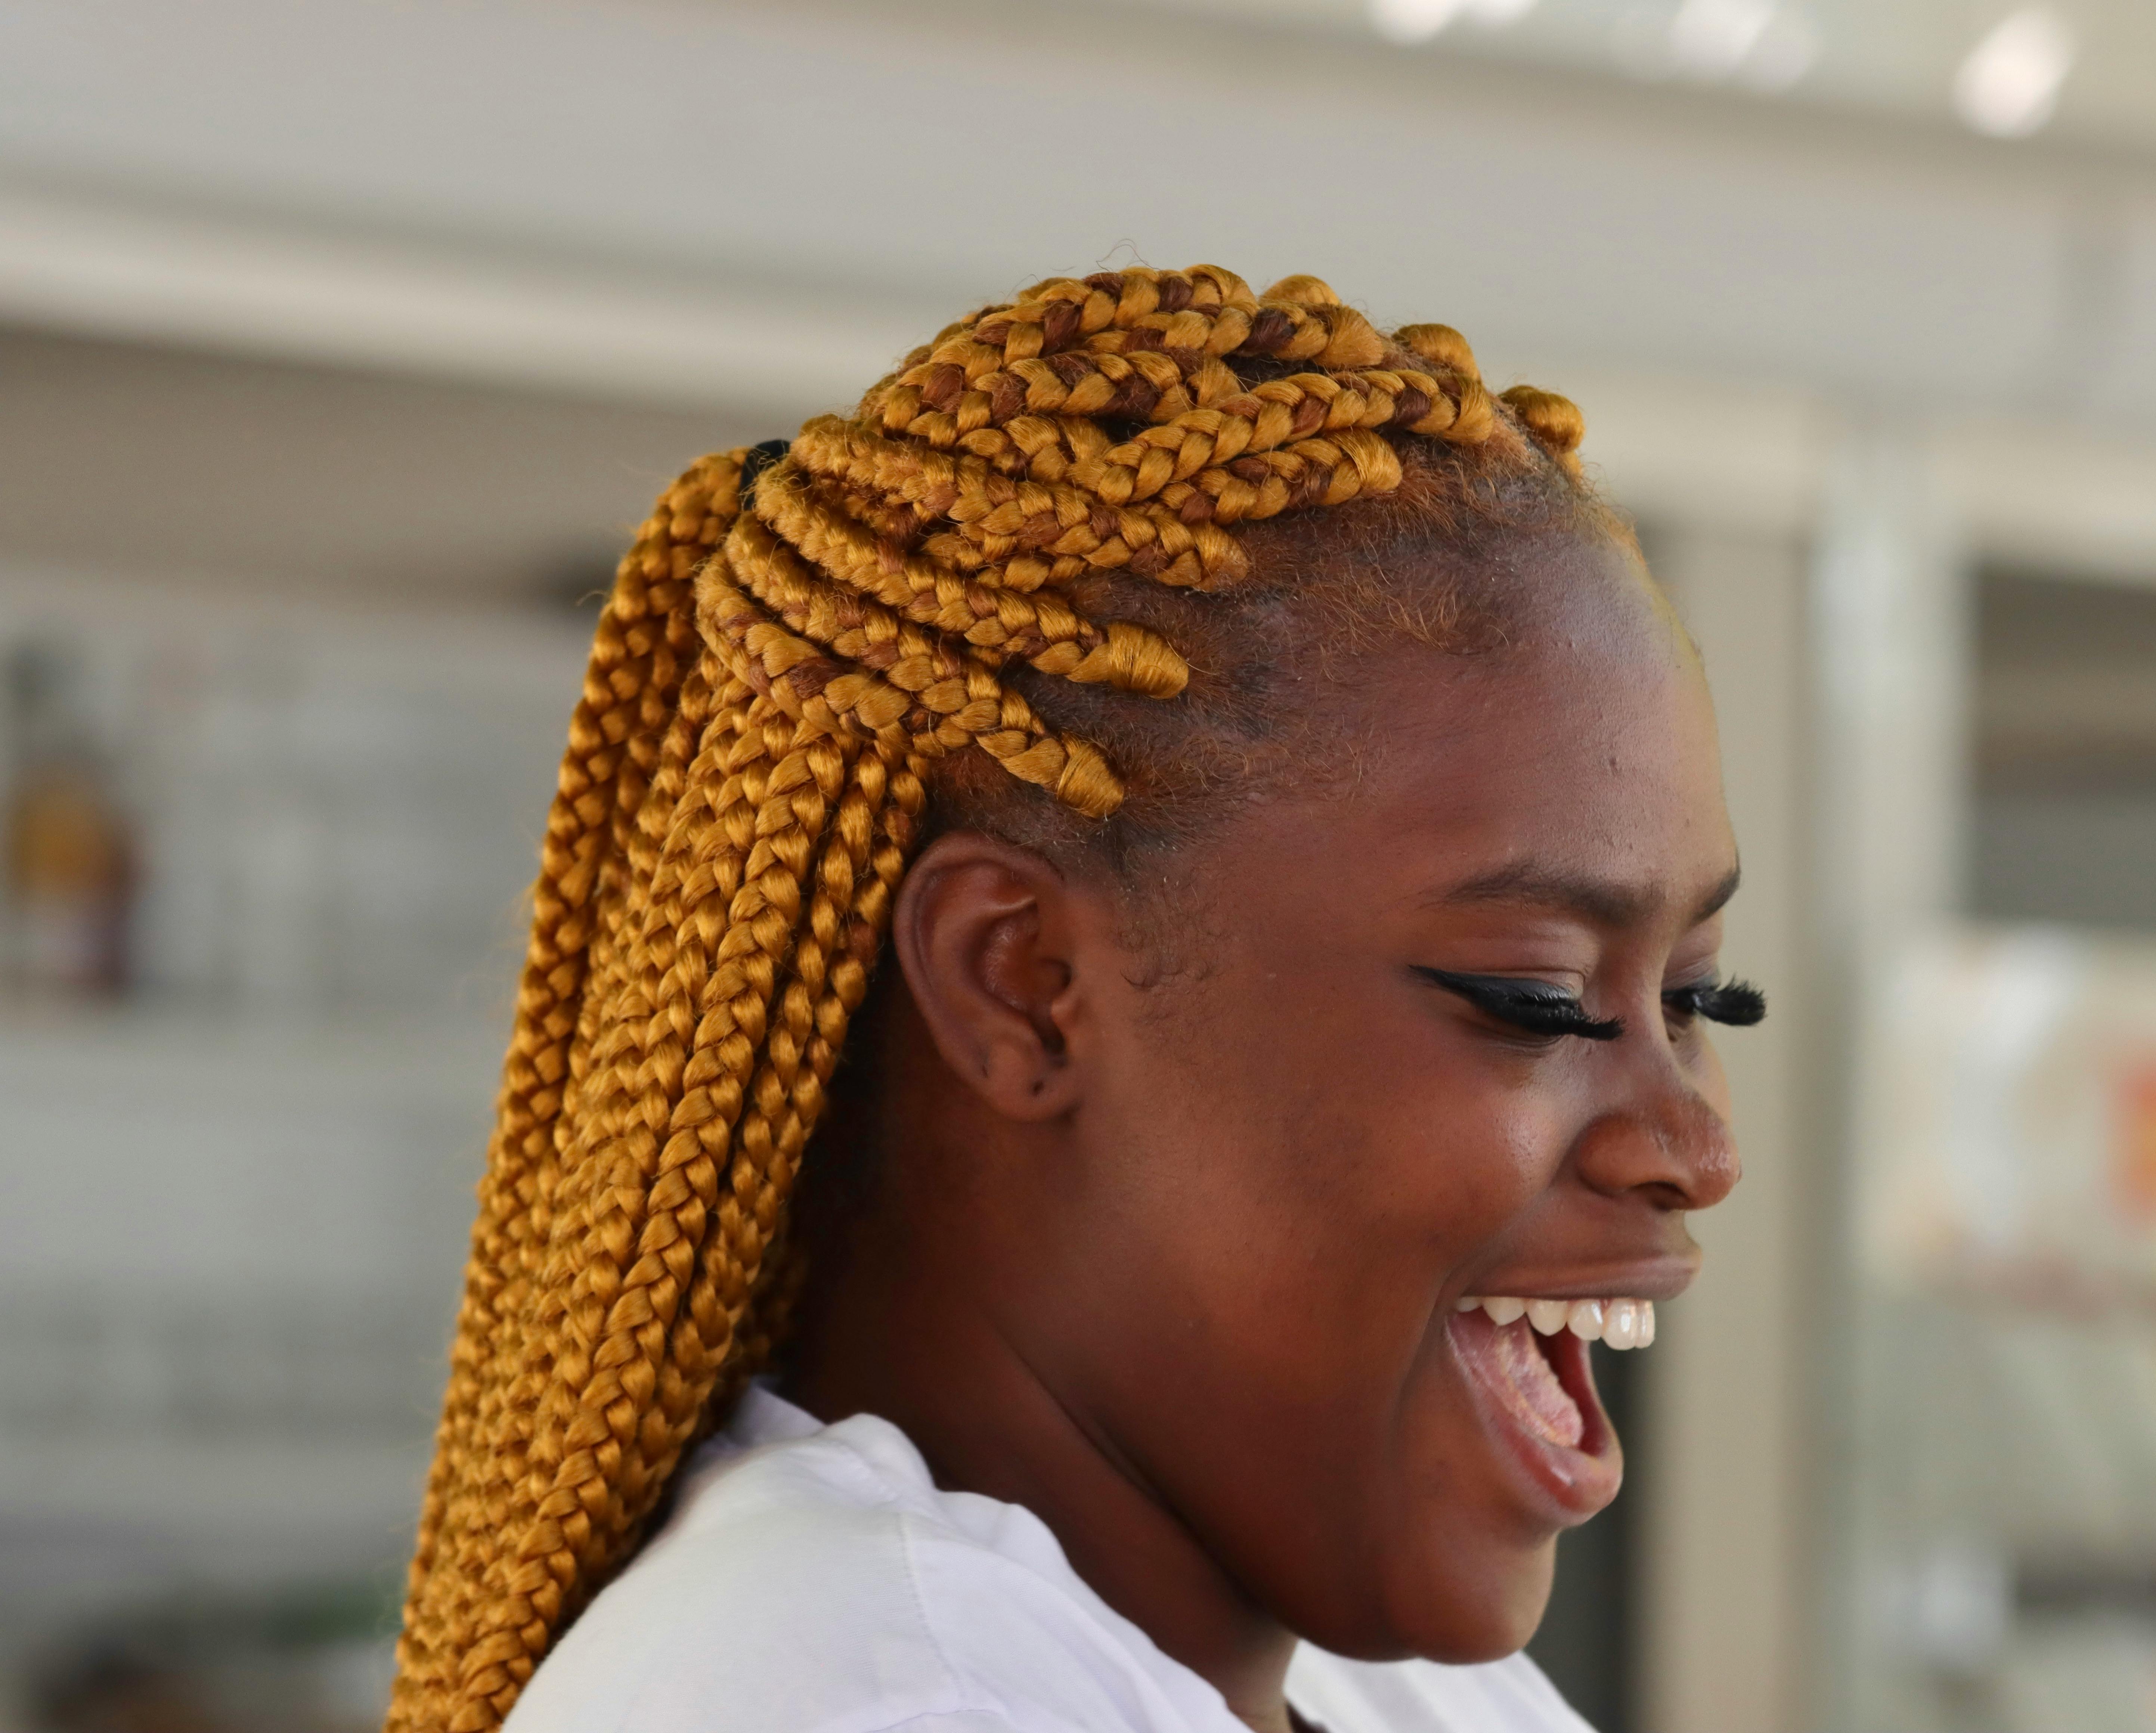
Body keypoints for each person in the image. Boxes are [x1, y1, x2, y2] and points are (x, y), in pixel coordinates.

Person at [388, 265, 1762, 1733]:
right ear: (1023, 982)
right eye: (1536, 995)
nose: (1696, 1145)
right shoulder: (860, 1688)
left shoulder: (1391, 1685)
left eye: (1698, 996)